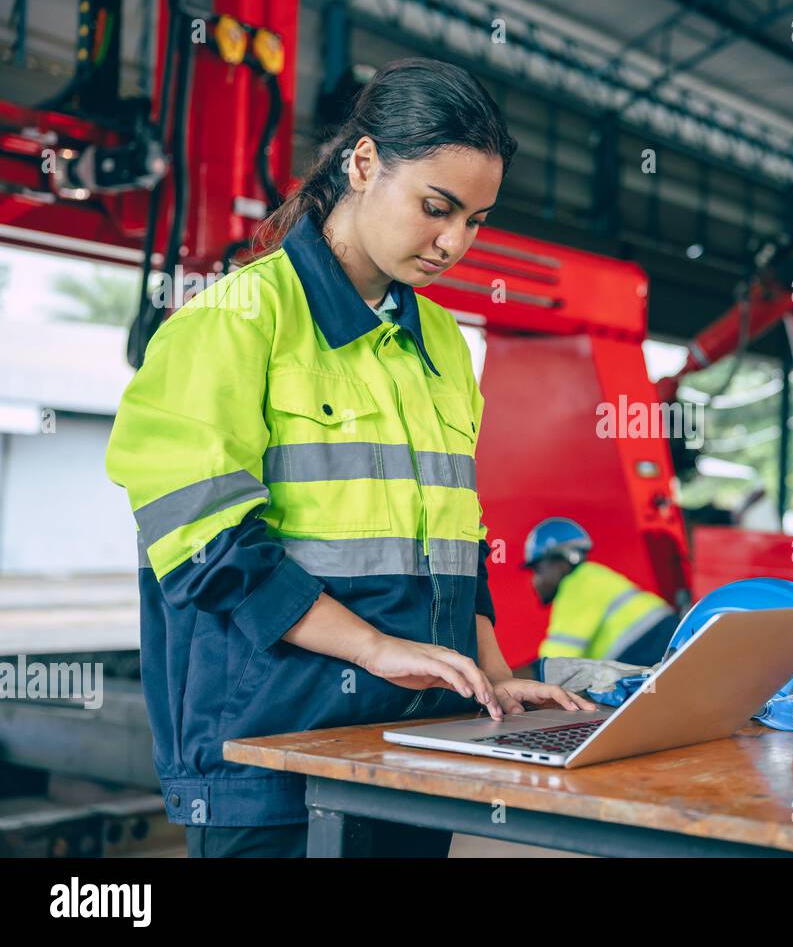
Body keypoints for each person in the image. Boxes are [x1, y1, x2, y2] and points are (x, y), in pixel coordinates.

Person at [105, 58, 595, 858]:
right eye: (437, 208)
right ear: (362, 163)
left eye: (476, 220)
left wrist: (493, 671)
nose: (453, 243)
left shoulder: (440, 342)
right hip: (268, 752)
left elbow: (453, 539)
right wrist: (372, 647)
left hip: (419, 749)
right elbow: (202, 542)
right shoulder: (231, 321)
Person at [521, 518, 678, 673]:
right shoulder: (592, 576)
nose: (534, 581)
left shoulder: (577, 585)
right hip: (662, 644)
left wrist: (516, 682)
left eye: (537, 570)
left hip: (651, 649)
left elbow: (554, 664)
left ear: (560, 564)